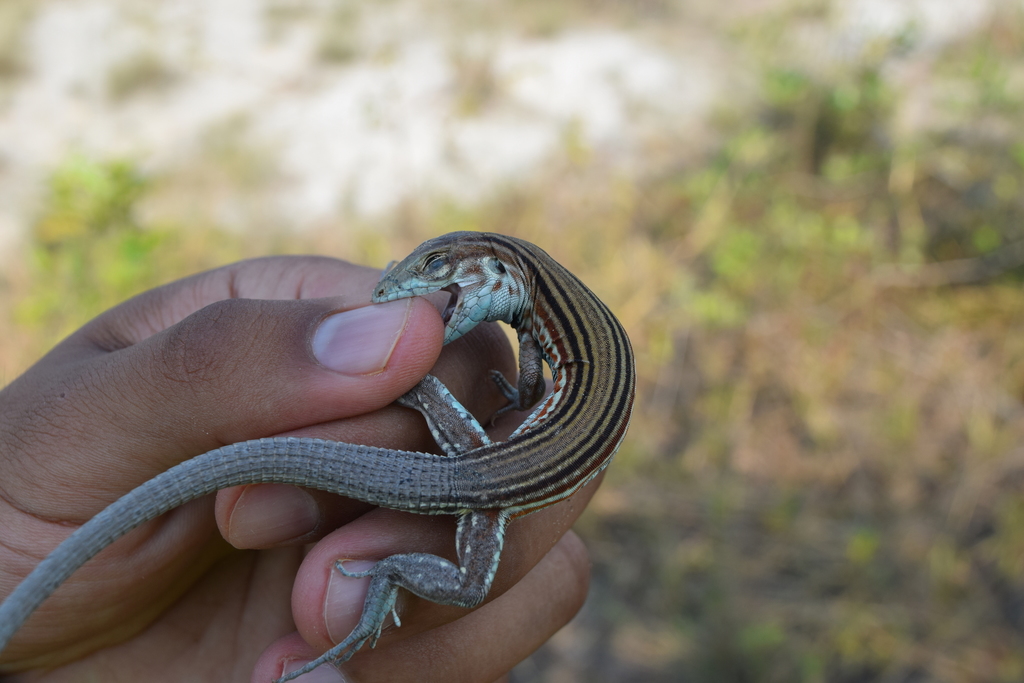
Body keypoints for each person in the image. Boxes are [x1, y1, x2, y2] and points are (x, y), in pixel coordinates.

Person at [0, 255, 597, 682]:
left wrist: (518, 400)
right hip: (494, 483)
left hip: (486, 472)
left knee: (424, 388)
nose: (416, 287)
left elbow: (529, 378)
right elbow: (532, 377)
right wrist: (521, 401)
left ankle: (384, 569)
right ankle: (385, 571)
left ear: (503, 275)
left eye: (437, 271)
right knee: (468, 587)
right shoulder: (568, 340)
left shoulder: (534, 328)